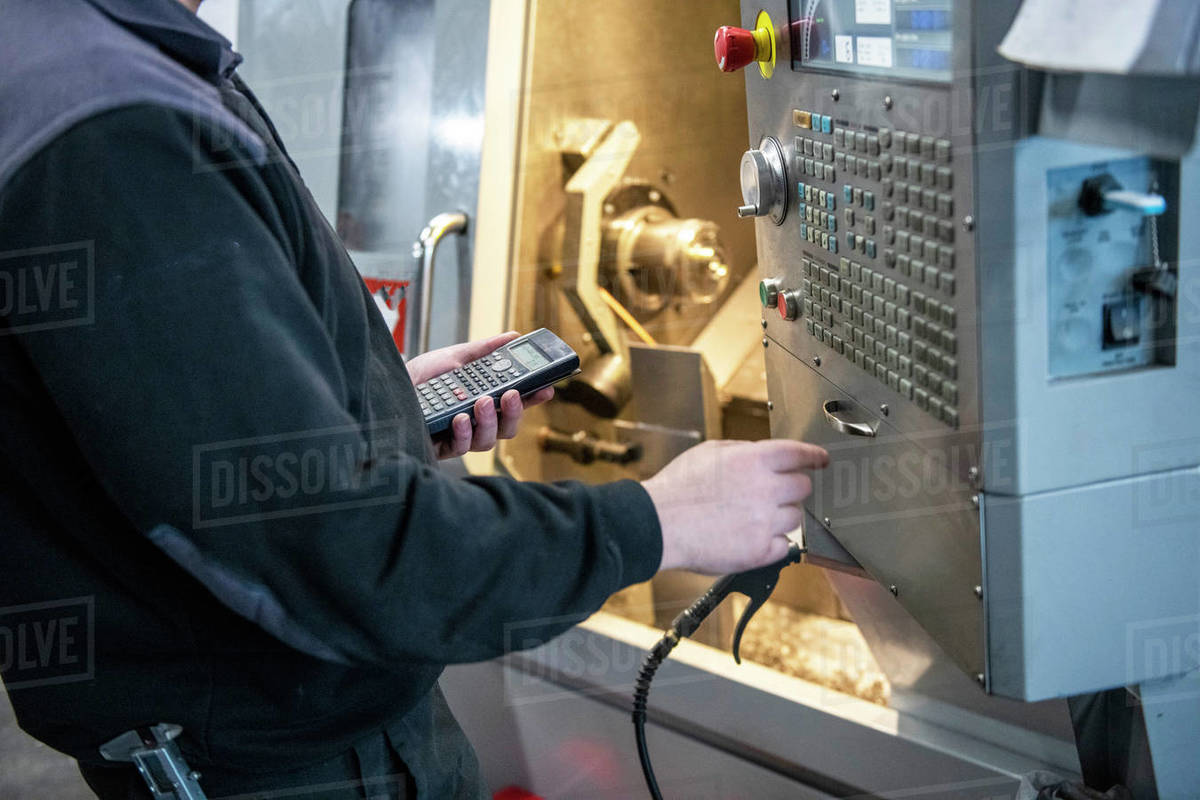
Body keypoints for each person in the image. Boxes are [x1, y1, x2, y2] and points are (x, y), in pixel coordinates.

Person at [0, 0, 828, 797]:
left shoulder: (94, 59)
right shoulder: (114, 123)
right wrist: (660, 520)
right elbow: (349, 556)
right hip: (283, 760)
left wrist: (374, 407)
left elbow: (156, 424)